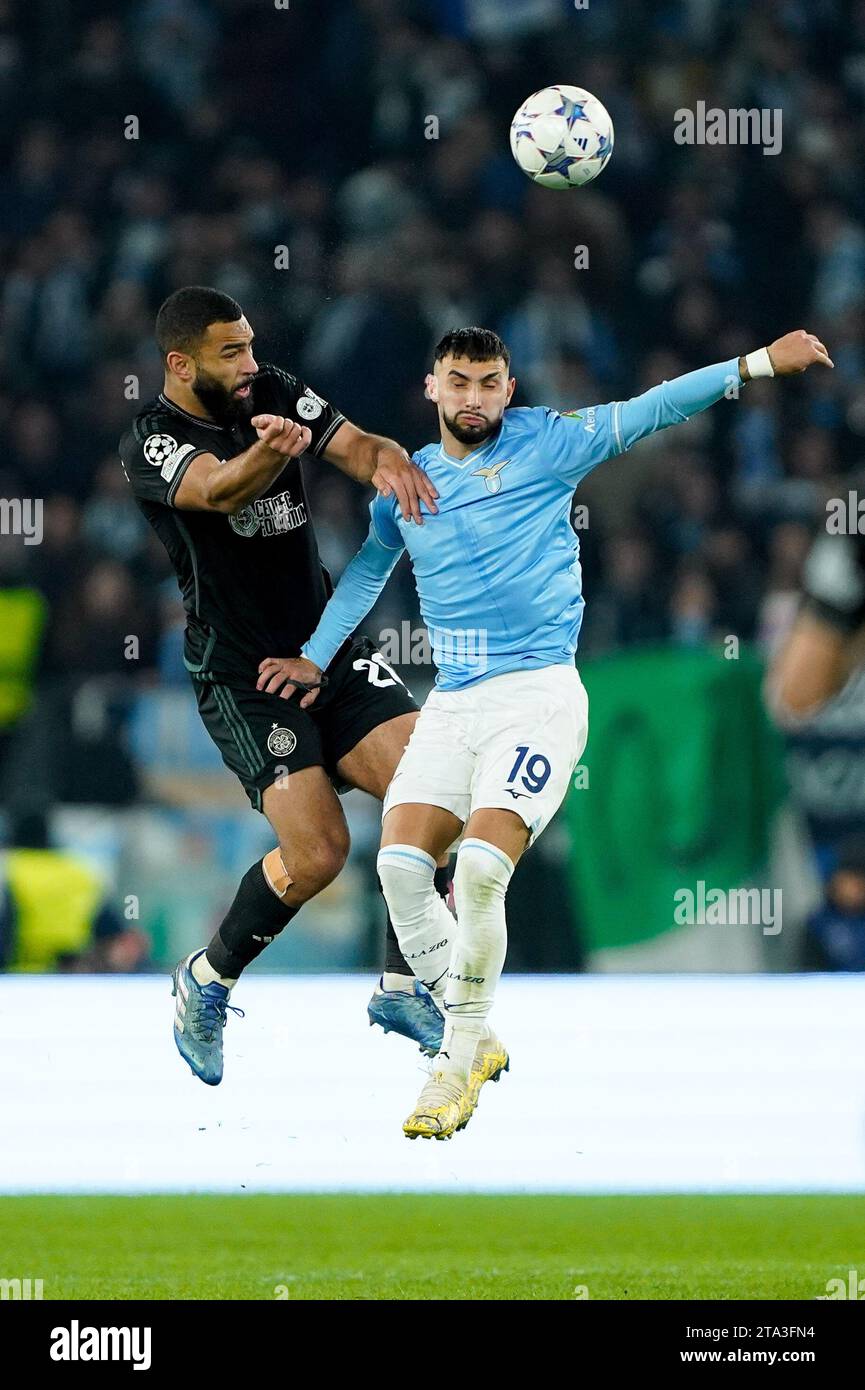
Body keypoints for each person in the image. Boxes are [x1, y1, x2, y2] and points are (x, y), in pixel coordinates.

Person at [260, 324, 833, 1138]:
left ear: (508, 387)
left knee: (484, 871)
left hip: (536, 697)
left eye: (488, 382)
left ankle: (451, 1069)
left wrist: (754, 364)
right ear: (432, 389)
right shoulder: (405, 483)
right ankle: (475, 1031)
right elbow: (364, 572)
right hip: (454, 701)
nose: (472, 397)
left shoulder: (548, 444)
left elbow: (650, 410)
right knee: (394, 866)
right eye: (457, 381)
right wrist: (315, 656)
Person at [119, 286, 449, 1086]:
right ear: (179, 362)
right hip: (241, 672)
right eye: (230, 352)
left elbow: (354, 444)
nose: (249, 363)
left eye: (250, 345)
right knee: (318, 853)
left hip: (324, 647)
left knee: (433, 786)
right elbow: (216, 490)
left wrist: (390, 461)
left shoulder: (269, 390)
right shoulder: (150, 441)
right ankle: (206, 980)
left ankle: (402, 985)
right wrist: (272, 450)